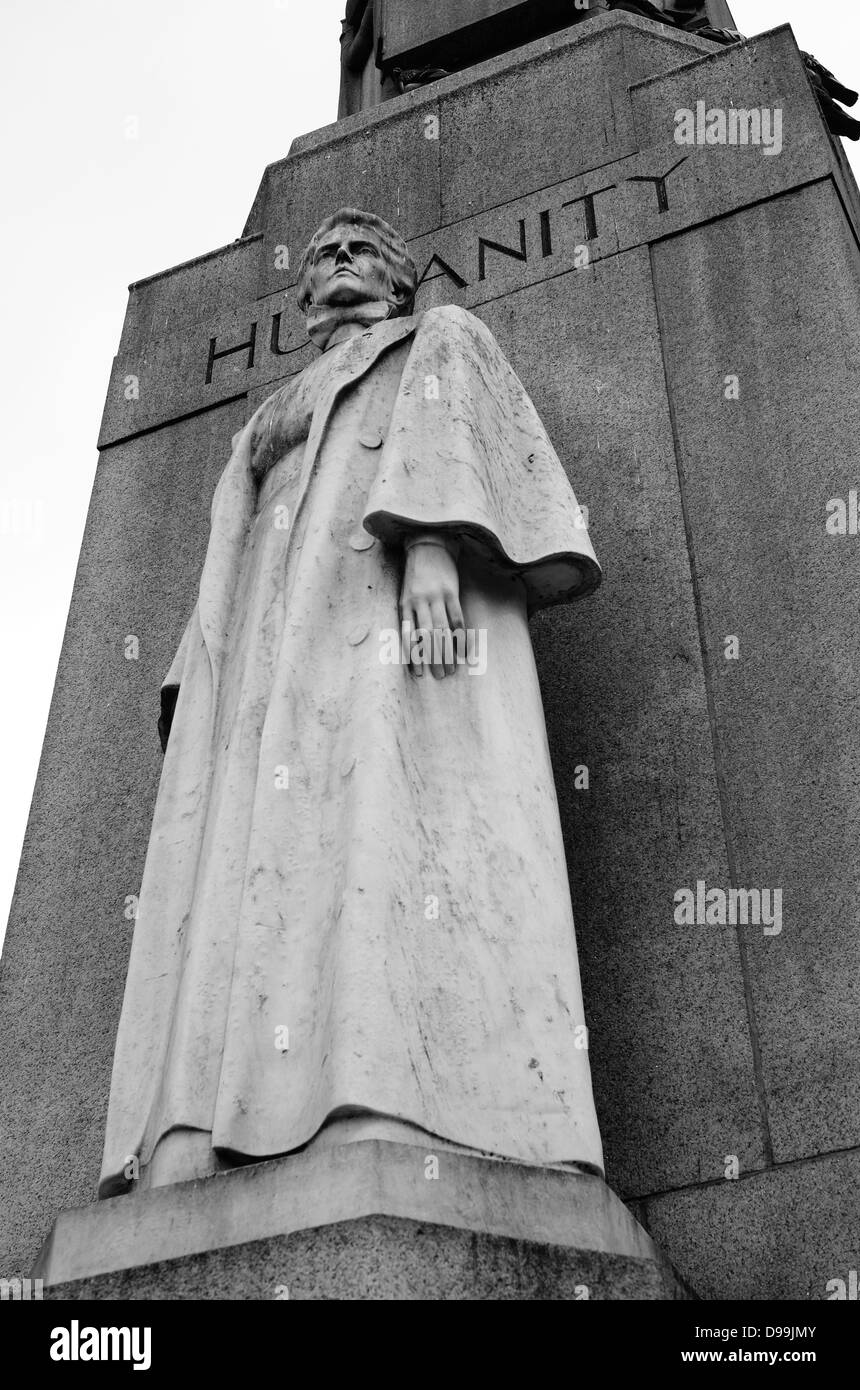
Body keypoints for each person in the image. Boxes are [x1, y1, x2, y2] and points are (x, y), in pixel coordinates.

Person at [99, 208, 604, 1196]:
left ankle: (384, 1094)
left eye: (359, 250)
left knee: (384, 843)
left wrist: (428, 549)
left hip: (378, 628)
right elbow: (229, 551)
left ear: (399, 277)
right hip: (271, 664)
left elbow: (449, 441)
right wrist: (198, 683)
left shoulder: (437, 335)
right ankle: (206, 1119)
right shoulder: (266, 415)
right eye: (322, 254)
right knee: (263, 877)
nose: (338, 264)